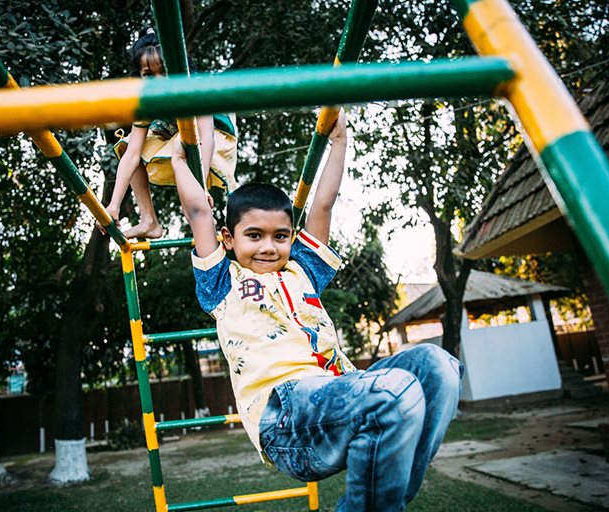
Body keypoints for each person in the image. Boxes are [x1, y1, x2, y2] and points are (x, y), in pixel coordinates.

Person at [173, 109, 462, 511]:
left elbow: (323, 204)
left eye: (280, 236)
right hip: (286, 417)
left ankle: (384, 499)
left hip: (341, 390)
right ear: (228, 238)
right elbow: (198, 211)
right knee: (395, 392)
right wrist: (178, 159)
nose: (268, 247)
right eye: (254, 236)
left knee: (439, 368)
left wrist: (339, 142)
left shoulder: (302, 272)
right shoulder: (222, 282)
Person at [100, 28, 238, 239]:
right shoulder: (147, 100)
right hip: (174, 134)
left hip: (214, 136)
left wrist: (199, 189)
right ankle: (149, 221)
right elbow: (132, 155)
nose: (158, 81)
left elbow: (206, 137)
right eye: (148, 74)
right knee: (128, 145)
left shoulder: (194, 87)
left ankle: (198, 218)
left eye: (164, 71)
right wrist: (114, 205)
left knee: (182, 146)